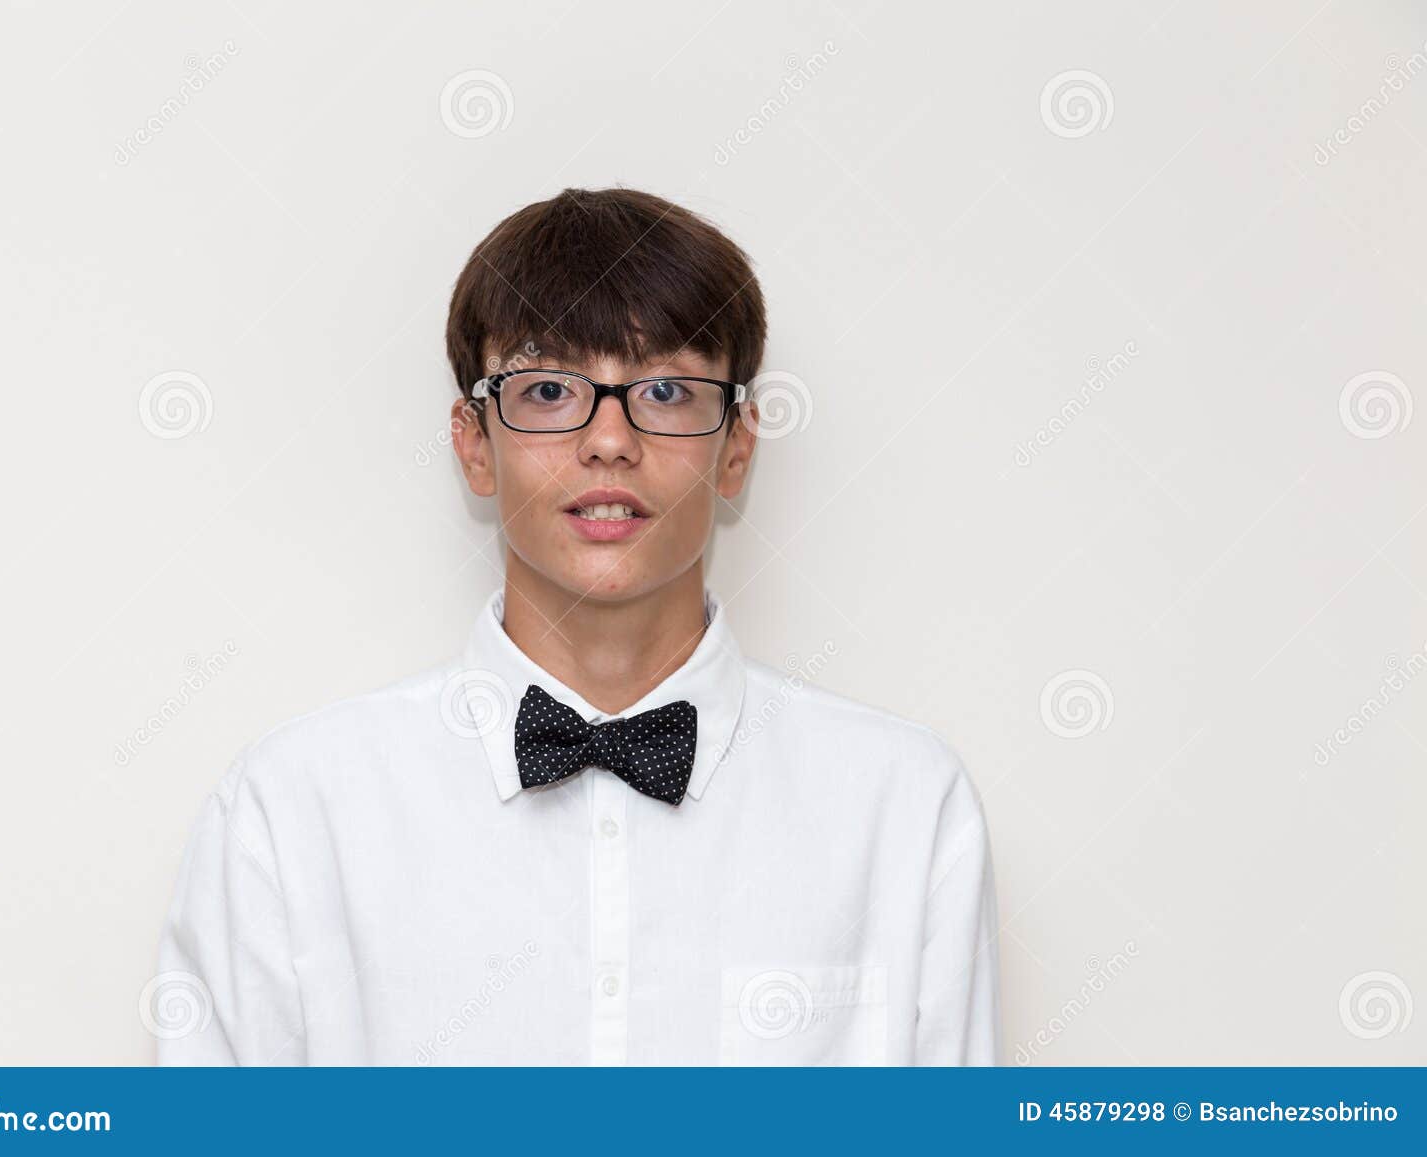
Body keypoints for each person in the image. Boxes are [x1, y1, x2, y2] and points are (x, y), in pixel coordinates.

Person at [154, 187, 1000, 1065]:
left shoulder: (902, 806)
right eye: (551, 388)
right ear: (475, 443)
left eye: (666, 388)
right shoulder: (293, 810)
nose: (608, 440)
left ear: (737, 445)